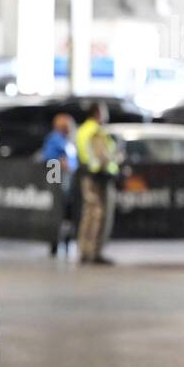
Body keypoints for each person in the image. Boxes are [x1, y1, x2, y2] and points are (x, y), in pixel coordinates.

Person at [75, 102, 119, 265]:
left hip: (87, 175)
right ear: (97, 112)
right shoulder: (95, 131)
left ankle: (84, 251)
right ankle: (93, 252)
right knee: (96, 214)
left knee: (88, 213)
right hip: (98, 177)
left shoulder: (83, 130)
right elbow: (102, 157)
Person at [40, 112, 78, 256]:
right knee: (57, 210)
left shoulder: (68, 140)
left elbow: (73, 160)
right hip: (57, 179)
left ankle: (68, 242)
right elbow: (49, 159)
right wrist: (60, 165)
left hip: (68, 180)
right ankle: (54, 244)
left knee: (68, 213)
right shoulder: (54, 139)